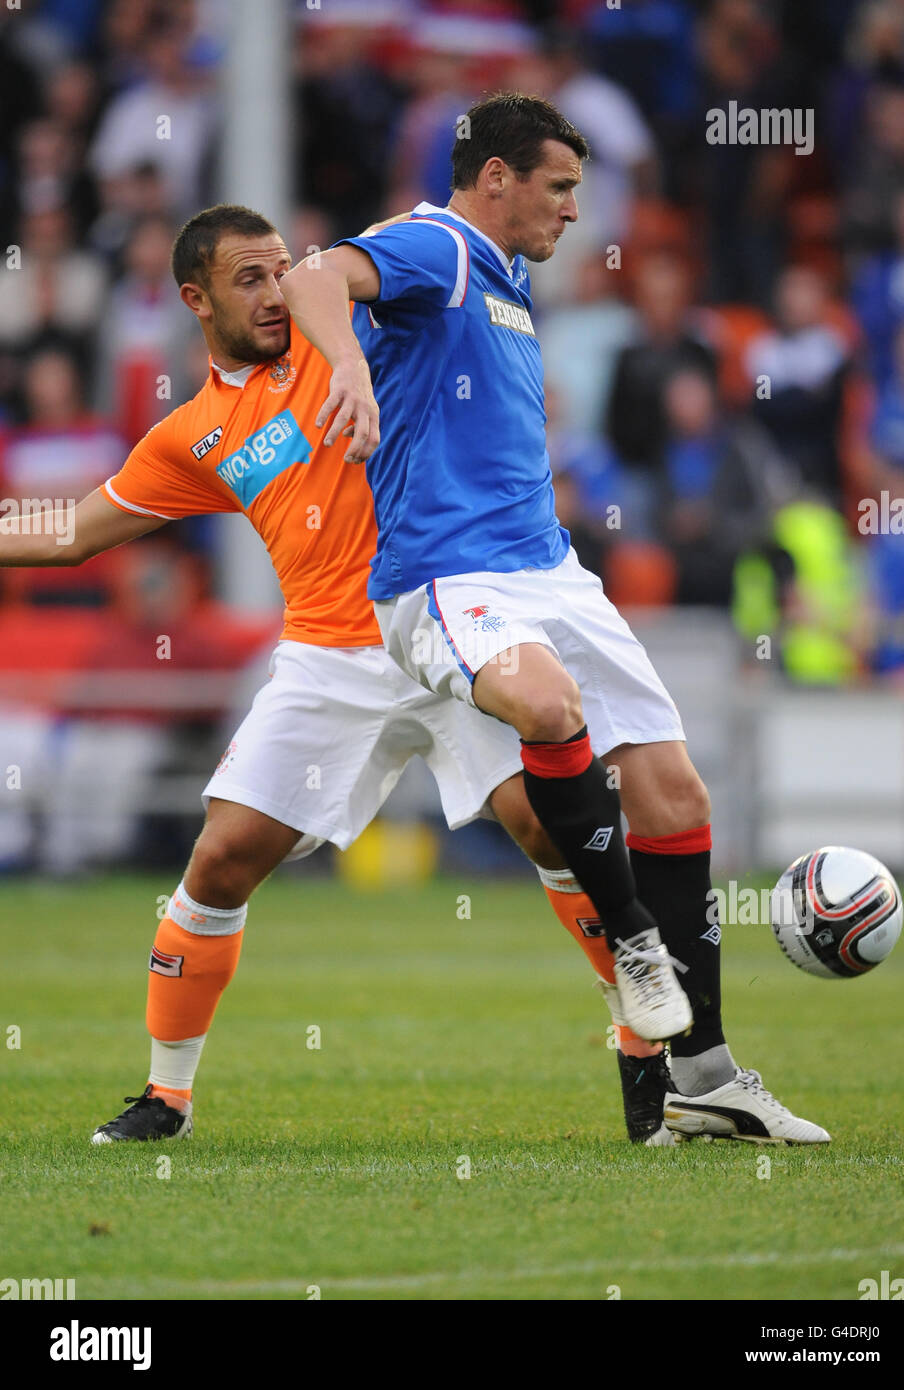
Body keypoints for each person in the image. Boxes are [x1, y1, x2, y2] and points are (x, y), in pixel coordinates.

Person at [0, 203, 678, 1147]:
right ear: (194, 299)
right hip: (328, 656)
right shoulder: (195, 436)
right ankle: (167, 1096)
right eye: (248, 278)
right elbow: (71, 533)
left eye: (281, 269)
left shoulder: (349, 331)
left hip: (444, 618)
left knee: (545, 824)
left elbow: (404, 284)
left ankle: (649, 1069)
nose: (275, 290)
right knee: (220, 858)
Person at [280, 93, 829, 1144]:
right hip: (449, 578)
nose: (578, 210)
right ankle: (631, 941)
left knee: (673, 791)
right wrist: (345, 360)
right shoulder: (437, 244)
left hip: (552, 572)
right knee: (545, 701)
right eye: (561, 186)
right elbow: (315, 274)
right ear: (498, 179)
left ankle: (704, 1076)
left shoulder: (511, 279)